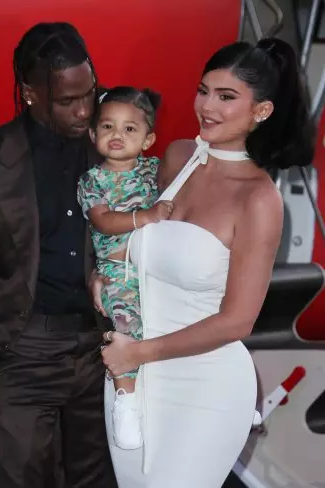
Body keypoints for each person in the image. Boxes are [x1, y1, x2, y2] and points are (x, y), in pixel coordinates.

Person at [91, 38, 315, 487]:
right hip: (130, 383)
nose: (206, 106)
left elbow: (237, 321)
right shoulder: (176, 158)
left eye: (226, 96)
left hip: (204, 385)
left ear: (262, 111)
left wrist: (139, 352)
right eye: (203, 90)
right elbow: (129, 238)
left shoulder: (259, 199)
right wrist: (104, 275)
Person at [0, 22, 118, 488]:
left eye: (90, 93)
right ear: (29, 94)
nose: (84, 110)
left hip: (104, 355)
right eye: (68, 101)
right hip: (20, 354)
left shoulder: (113, 145)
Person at [77, 86, 173, 450]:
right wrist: (144, 216)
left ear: (149, 139)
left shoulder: (155, 170)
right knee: (126, 329)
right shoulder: (92, 181)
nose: (117, 135)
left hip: (159, 270)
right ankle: (126, 401)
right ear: (93, 134)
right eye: (107, 127)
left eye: (130, 129)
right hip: (120, 272)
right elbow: (103, 221)